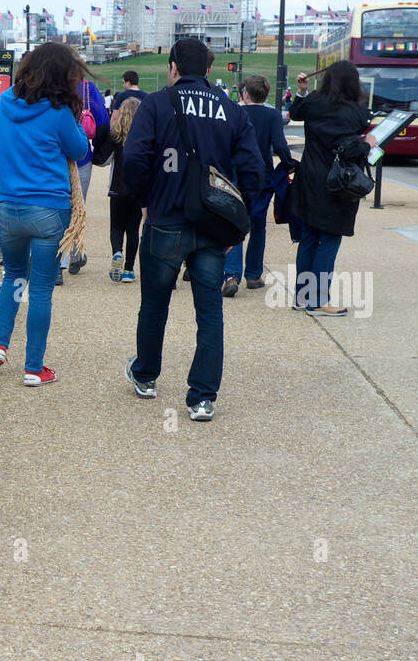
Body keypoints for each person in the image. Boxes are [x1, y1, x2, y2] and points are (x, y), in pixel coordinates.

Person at [121, 37, 262, 422]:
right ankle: (202, 397)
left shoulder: (156, 104)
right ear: (209, 69)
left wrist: (145, 197)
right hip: (213, 223)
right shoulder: (232, 111)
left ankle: (147, 375)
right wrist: (241, 210)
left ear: (173, 66)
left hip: (166, 216)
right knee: (209, 311)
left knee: (154, 303)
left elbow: (134, 159)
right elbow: (253, 171)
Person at [0, 41, 95, 387]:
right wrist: (76, 121)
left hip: (7, 206)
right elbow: (80, 151)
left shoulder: (4, 104)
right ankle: (34, 367)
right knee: (42, 290)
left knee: (14, 276)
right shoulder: (58, 112)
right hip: (49, 208)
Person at [289, 65, 378, 315]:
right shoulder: (356, 111)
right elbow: (348, 149)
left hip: (308, 177)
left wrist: (302, 91)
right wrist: (368, 144)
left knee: (308, 238)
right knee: (329, 239)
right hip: (336, 182)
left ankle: (302, 295)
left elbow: (295, 113)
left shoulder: (314, 102)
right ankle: (318, 300)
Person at [222, 74, 294, 296]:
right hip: (262, 175)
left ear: (244, 93)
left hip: (236, 173)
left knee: (234, 225)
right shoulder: (273, 115)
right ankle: (253, 274)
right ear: (266, 94)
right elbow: (280, 144)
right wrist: (289, 163)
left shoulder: (234, 112)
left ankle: (231, 274)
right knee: (258, 226)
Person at [92, 96, 142, 283]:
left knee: (117, 226)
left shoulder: (115, 136)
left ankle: (117, 252)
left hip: (117, 188)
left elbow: (102, 160)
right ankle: (129, 269)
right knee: (133, 229)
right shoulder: (144, 138)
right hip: (137, 190)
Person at [65, 72, 110, 276]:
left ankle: (55, 261)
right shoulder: (86, 88)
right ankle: (74, 254)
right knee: (77, 206)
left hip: (50, 156)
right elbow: (102, 122)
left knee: (50, 206)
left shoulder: (47, 86)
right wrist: (98, 152)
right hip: (80, 157)